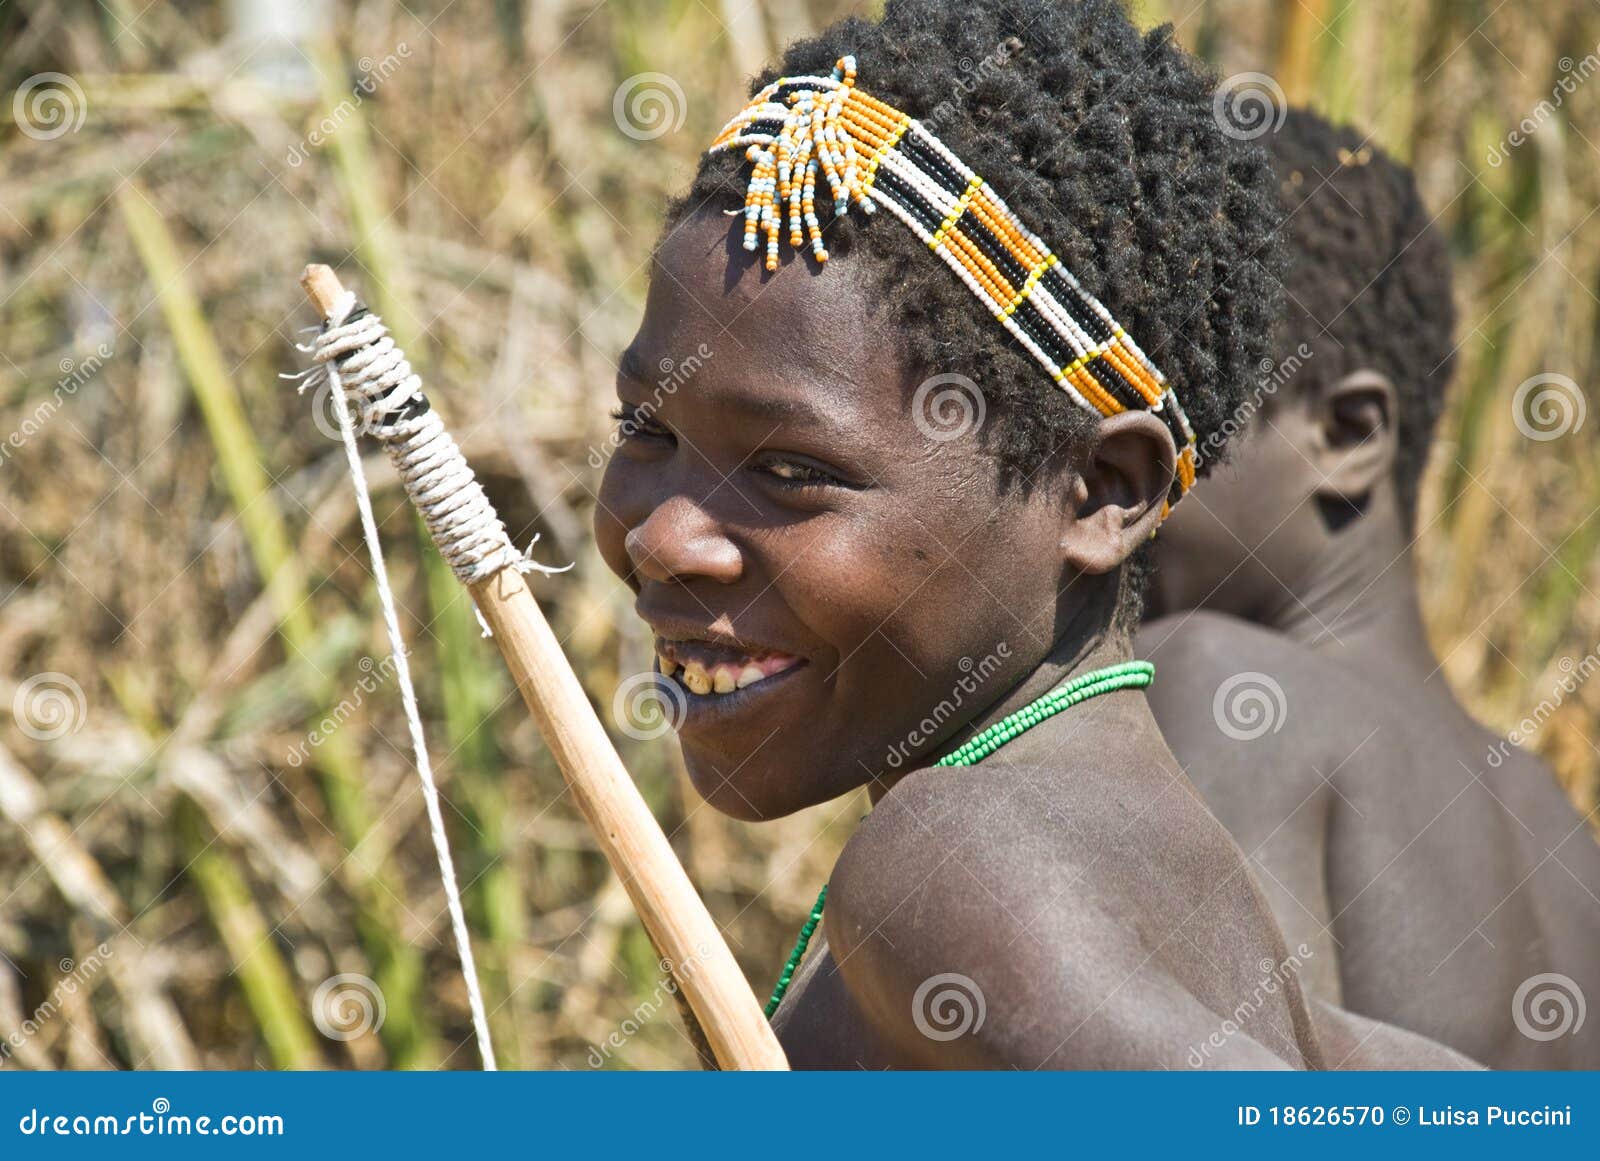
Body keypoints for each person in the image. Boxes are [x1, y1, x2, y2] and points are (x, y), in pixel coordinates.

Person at [596, 0, 1473, 1068]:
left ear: (1105, 490)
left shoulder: (947, 867)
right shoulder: (1159, 892)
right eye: (645, 428)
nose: (663, 538)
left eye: (790, 471)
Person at [1140, 107, 1600, 1067]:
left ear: (1346, 434)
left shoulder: (1226, 688)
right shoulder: (1558, 830)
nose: (1090, 467)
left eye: (1149, 402)